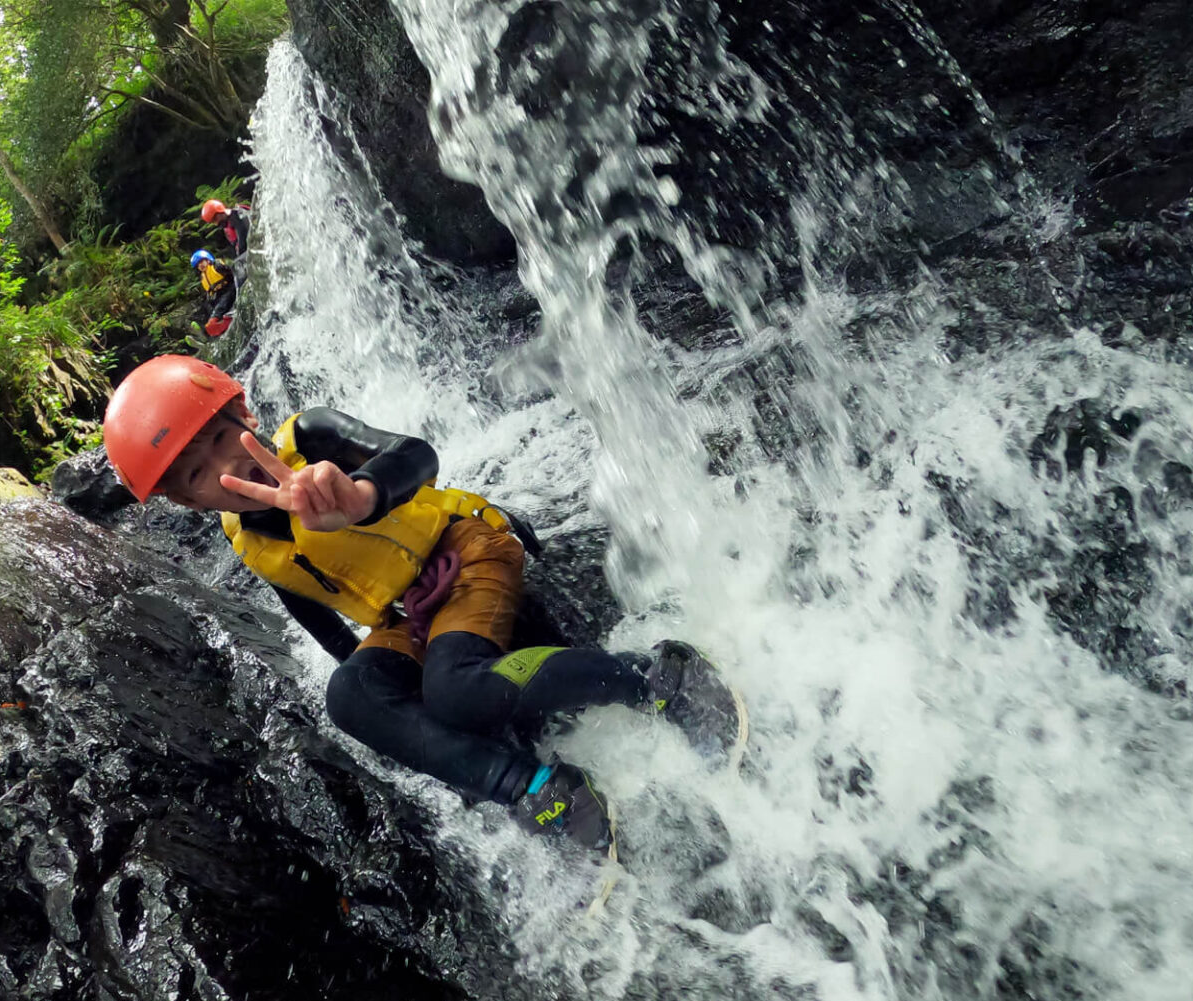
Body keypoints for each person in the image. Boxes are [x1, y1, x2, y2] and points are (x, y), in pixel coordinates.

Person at [101, 355, 740, 851]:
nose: (221, 467)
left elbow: (415, 455)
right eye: (193, 473)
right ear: (187, 503)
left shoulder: (312, 437)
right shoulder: (240, 536)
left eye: (219, 437)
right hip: (406, 614)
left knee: (455, 689)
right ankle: (538, 788)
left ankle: (656, 677)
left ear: (245, 413)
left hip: (462, 547)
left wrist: (361, 496)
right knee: (349, 696)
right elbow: (310, 607)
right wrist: (376, 683)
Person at [191, 249, 236, 337]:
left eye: (201, 262)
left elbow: (232, 270)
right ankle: (208, 330)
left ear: (207, 259)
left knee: (222, 303)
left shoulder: (216, 266)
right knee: (207, 306)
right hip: (219, 294)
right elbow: (210, 293)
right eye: (198, 265)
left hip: (230, 288)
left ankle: (216, 321)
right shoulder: (203, 277)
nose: (200, 265)